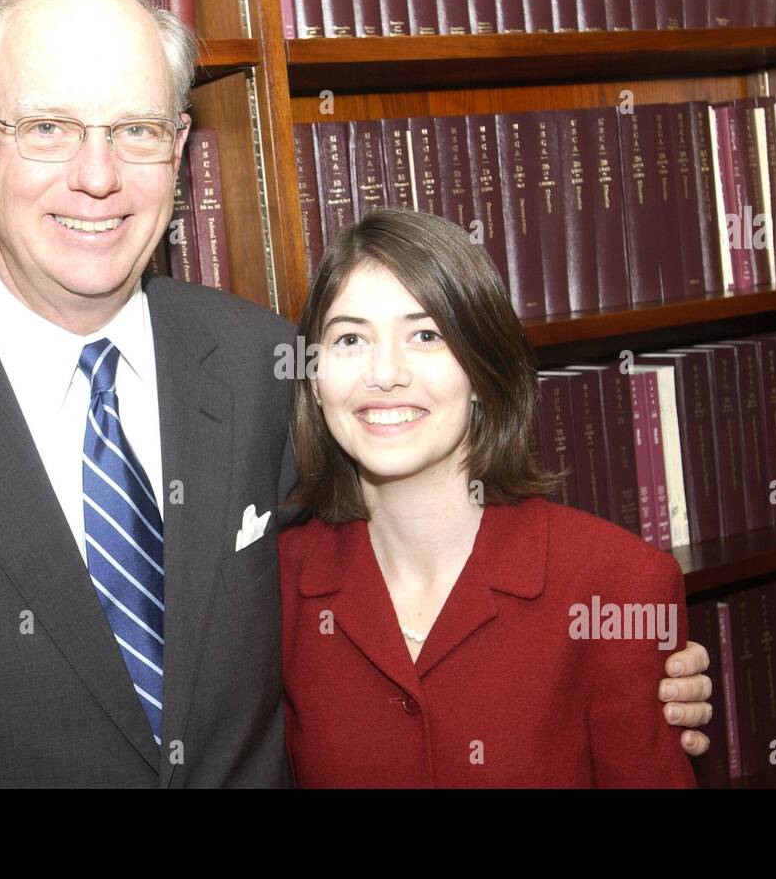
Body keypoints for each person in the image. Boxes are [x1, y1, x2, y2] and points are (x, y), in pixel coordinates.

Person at [0, 0, 709, 788]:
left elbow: (409, 570)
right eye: (47, 127)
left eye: (138, 129)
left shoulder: (268, 364)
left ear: (181, 152)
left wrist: (620, 661)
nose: (96, 176)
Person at [280, 208, 697, 786]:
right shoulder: (274, 586)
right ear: (314, 377)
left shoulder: (617, 587)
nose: (384, 373)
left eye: (426, 335)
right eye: (350, 338)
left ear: (481, 370)